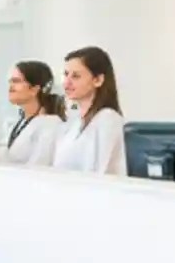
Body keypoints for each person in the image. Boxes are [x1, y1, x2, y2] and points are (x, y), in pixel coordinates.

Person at [53, 46, 127, 175]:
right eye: (66, 75)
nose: (66, 83)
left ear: (98, 80)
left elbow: (99, 173)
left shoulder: (107, 119)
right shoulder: (75, 123)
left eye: (76, 76)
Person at [5, 60, 66, 165]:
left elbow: (40, 167)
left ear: (35, 89)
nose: (10, 87)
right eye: (10, 82)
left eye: (16, 81)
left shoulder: (50, 124)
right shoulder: (21, 122)